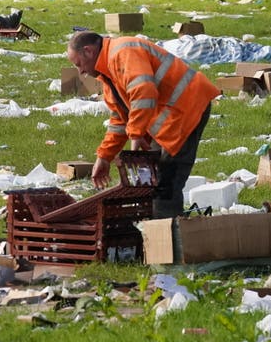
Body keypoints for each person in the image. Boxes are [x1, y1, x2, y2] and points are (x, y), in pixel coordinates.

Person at [66, 31, 221, 218]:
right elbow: (119, 120)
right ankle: (159, 233)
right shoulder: (108, 72)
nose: (80, 71)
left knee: (164, 183)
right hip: (174, 113)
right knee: (155, 182)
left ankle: (169, 239)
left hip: (187, 107)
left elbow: (143, 91)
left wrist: (136, 134)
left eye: (79, 64)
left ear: (88, 51)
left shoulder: (122, 53)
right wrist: (104, 156)